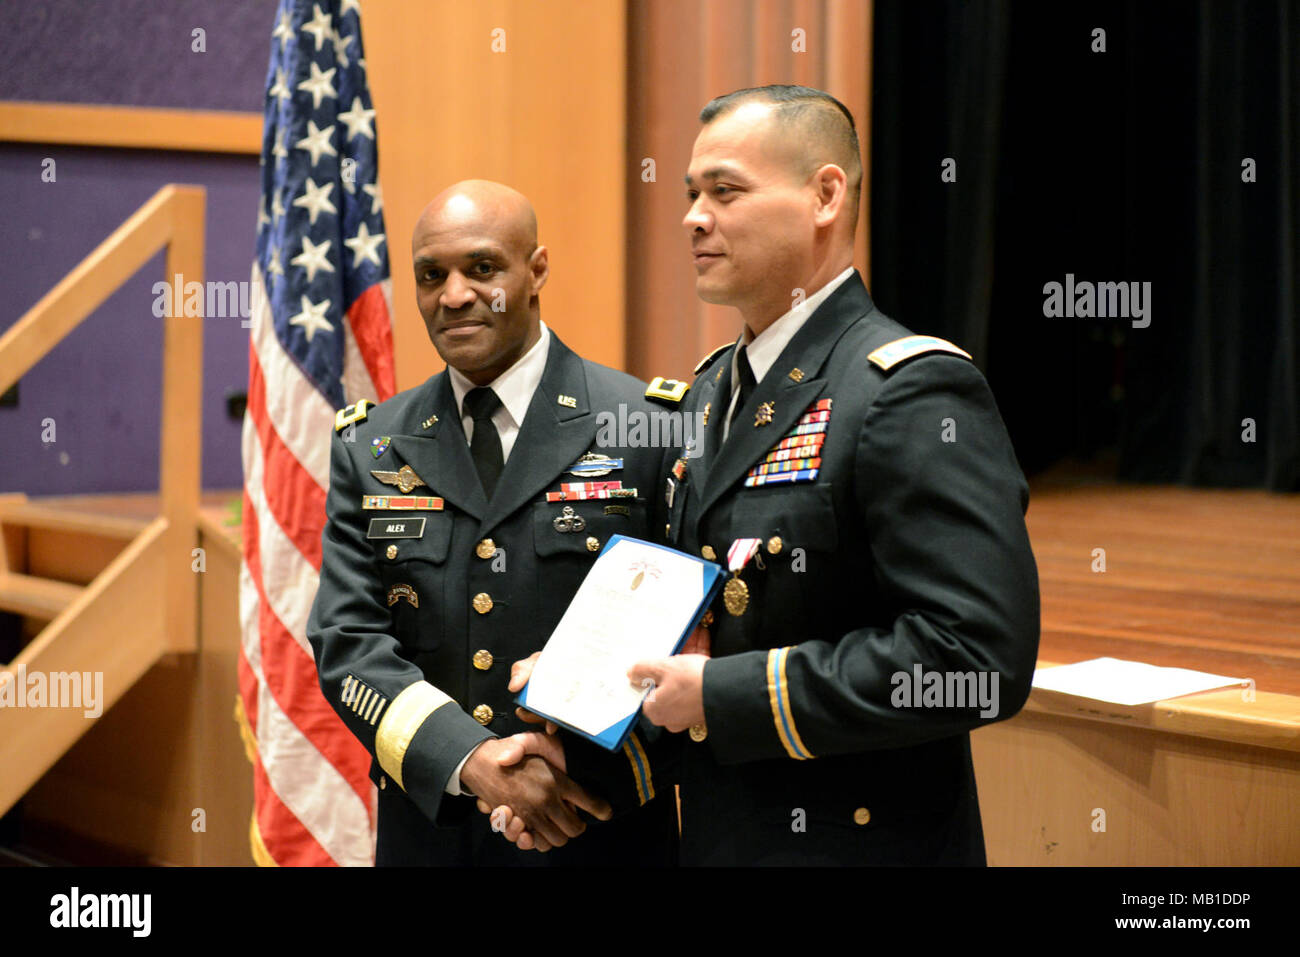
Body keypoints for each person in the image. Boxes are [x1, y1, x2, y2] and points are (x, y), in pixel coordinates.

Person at [492, 85, 1040, 865]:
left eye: (725, 190)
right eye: (691, 193)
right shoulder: (713, 392)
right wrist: (580, 739)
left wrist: (725, 696)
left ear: (824, 195)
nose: (692, 216)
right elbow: (705, 638)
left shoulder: (906, 389)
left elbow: (976, 660)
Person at [306, 179, 677, 865]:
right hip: (433, 836)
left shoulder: (646, 427)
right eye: (430, 275)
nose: (453, 295)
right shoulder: (372, 443)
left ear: (536, 271)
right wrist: (470, 757)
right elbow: (347, 642)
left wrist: (570, 775)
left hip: (593, 829)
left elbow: (689, 635)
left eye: (481, 268)